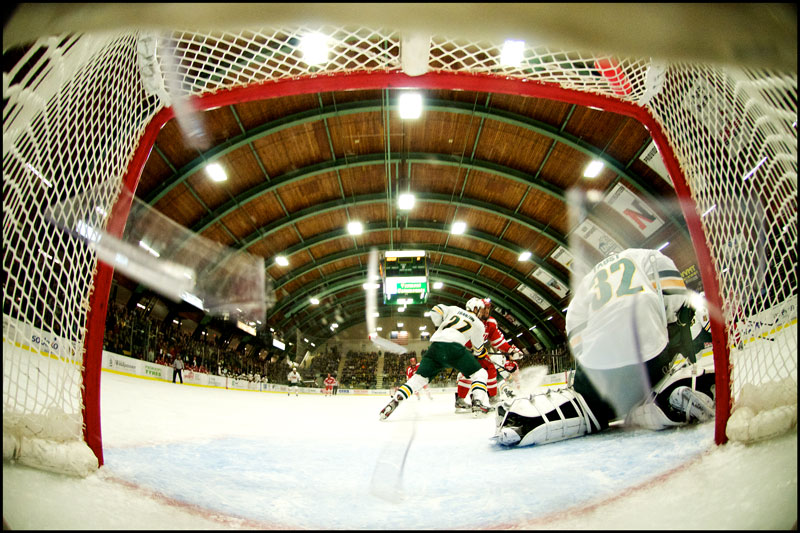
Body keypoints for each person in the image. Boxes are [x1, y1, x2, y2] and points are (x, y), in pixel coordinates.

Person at [495, 248, 715, 447]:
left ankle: (525, 420)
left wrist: (592, 361)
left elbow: (574, 331)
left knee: (590, 407)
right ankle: (670, 393)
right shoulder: (647, 255)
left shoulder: (586, 282)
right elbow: (675, 296)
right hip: (648, 354)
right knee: (648, 384)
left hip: (598, 368)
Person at [379, 298, 493, 420]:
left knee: (419, 379)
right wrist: (481, 352)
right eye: (480, 309)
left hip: (435, 347)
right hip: (454, 348)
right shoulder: (479, 324)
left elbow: (435, 310)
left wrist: (439, 326)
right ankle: (477, 403)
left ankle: (396, 400)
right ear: (475, 308)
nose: (482, 312)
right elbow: (478, 350)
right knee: (480, 373)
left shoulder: (454, 309)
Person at [455, 298, 523, 412]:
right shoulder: (468, 321)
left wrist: (511, 350)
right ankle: (462, 400)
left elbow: (498, 341)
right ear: (477, 309)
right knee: (470, 372)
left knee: (490, 368)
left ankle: (492, 397)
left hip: (478, 352)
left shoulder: (490, 323)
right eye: (484, 308)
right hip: (464, 351)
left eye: (488, 308)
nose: (487, 311)